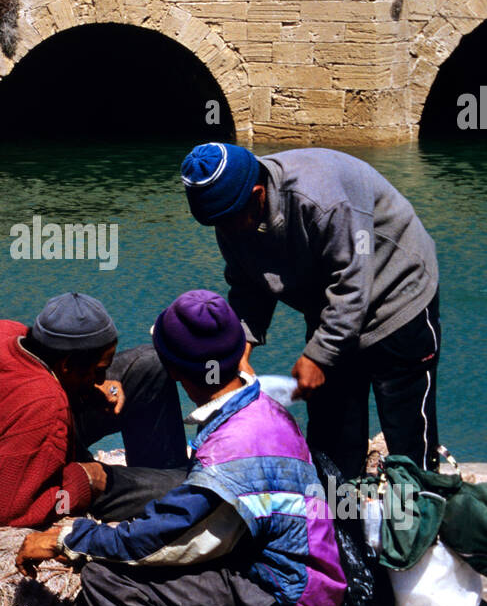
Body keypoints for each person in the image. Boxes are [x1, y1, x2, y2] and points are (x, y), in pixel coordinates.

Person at [16, 290, 345, 606]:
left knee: (107, 582)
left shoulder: (231, 451)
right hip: (309, 590)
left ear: (171, 370)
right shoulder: (262, 411)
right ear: (240, 353)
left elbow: (164, 543)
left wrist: (70, 537)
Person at [180, 142, 441, 481]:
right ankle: (339, 521)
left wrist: (318, 356)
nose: (225, 232)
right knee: (332, 436)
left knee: (407, 433)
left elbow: (352, 284)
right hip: (332, 306)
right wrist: (240, 350)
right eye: (217, 224)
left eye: (229, 220)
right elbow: (247, 284)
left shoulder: (321, 200)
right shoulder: (231, 214)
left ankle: (421, 511)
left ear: (258, 194)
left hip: (397, 295)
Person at [0, 291, 189, 529]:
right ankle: (167, 488)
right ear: (67, 366)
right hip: (17, 468)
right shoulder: (45, 404)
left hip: (23, 424)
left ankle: (159, 470)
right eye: (98, 370)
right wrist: (84, 480)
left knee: (149, 364)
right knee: (188, 487)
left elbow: (17, 393)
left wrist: (89, 387)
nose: (102, 378)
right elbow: (2, 511)